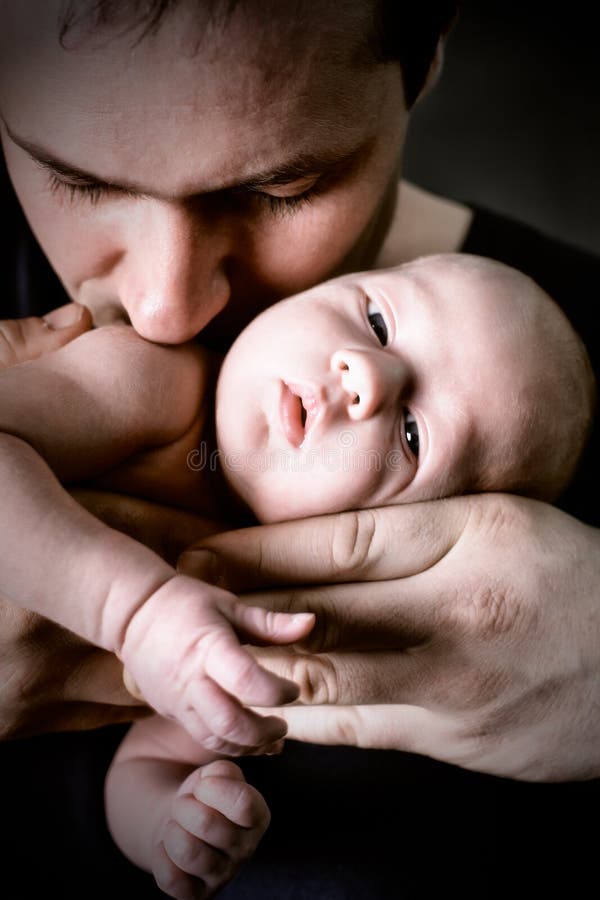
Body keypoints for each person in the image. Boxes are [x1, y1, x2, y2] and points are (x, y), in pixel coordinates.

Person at [0, 1, 598, 897]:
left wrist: (176, 817)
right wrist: (132, 613)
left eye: (279, 188)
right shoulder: (150, 386)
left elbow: (154, 758)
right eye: (76, 178)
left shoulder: (313, 614)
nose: (167, 312)